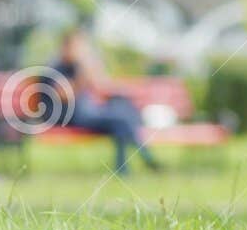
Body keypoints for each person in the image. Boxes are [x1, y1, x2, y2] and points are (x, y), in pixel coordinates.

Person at [48, 26, 163, 175]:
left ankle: (123, 167)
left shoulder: (78, 66)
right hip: (70, 118)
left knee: (122, 119)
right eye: (77, 46)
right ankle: (144, 159)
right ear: (66, 46)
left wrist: (92, 68)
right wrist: (82, 74)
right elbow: (63, 95)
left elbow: (100, 87)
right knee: (121, 121)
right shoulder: (56, 67)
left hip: (88, 113)